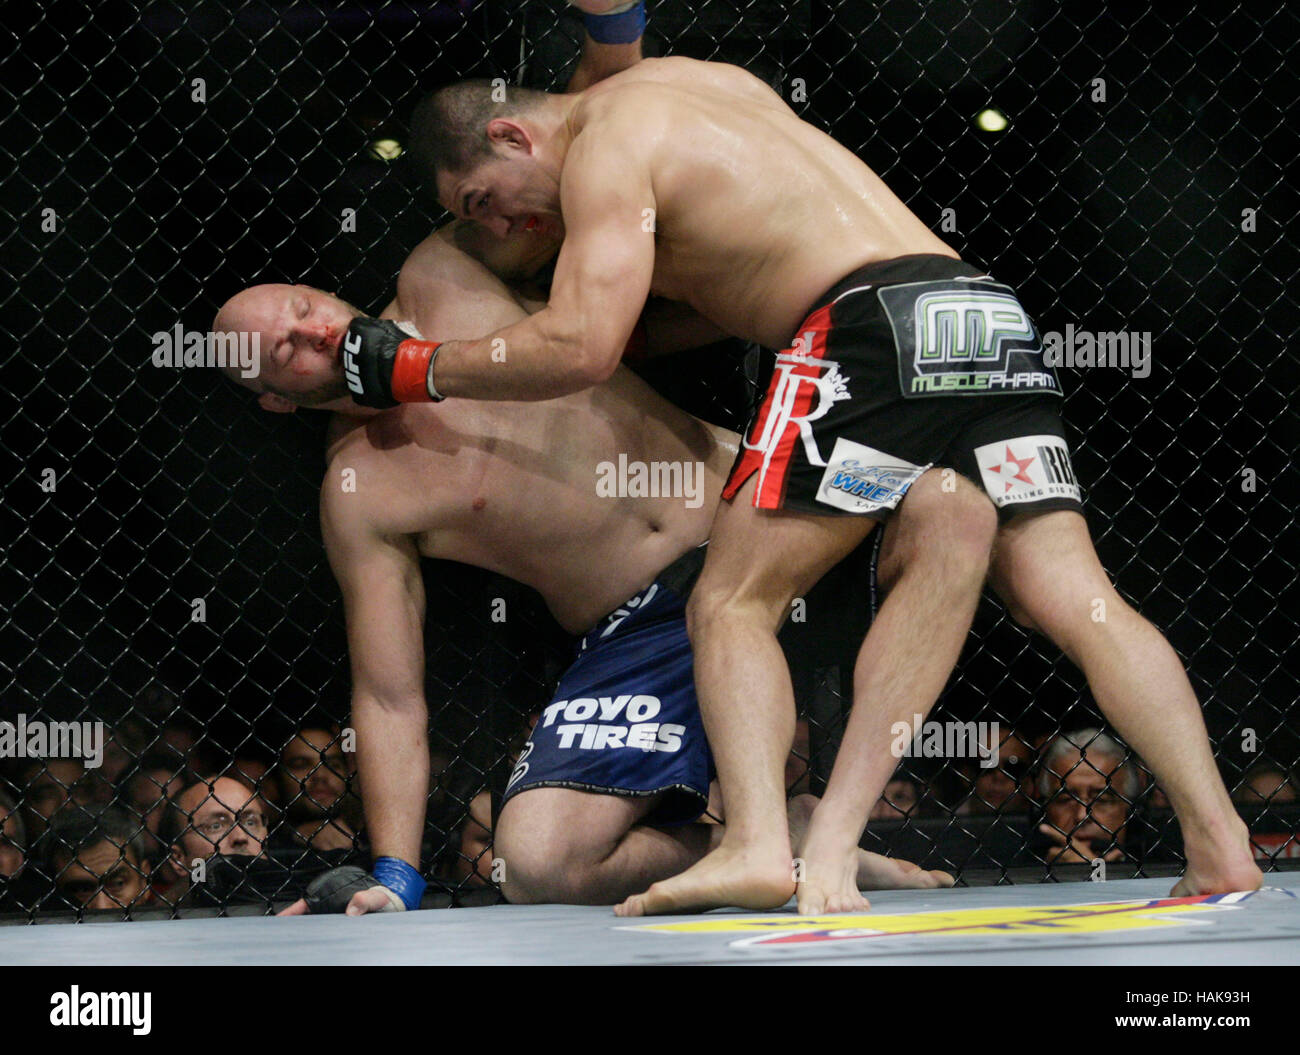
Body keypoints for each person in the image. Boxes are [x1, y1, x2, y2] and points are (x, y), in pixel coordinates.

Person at [352, 45, 1259, 913]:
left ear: (512, 137)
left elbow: (583, 345)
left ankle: (753, 842)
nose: (501, 226)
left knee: (731, 600)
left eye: (481, 200)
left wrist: (413, 367)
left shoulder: (602, 152)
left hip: (860, 328)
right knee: (1079, 597)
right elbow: (675, 298)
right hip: (976, 310)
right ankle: (1219, 838)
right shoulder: (690, 84)